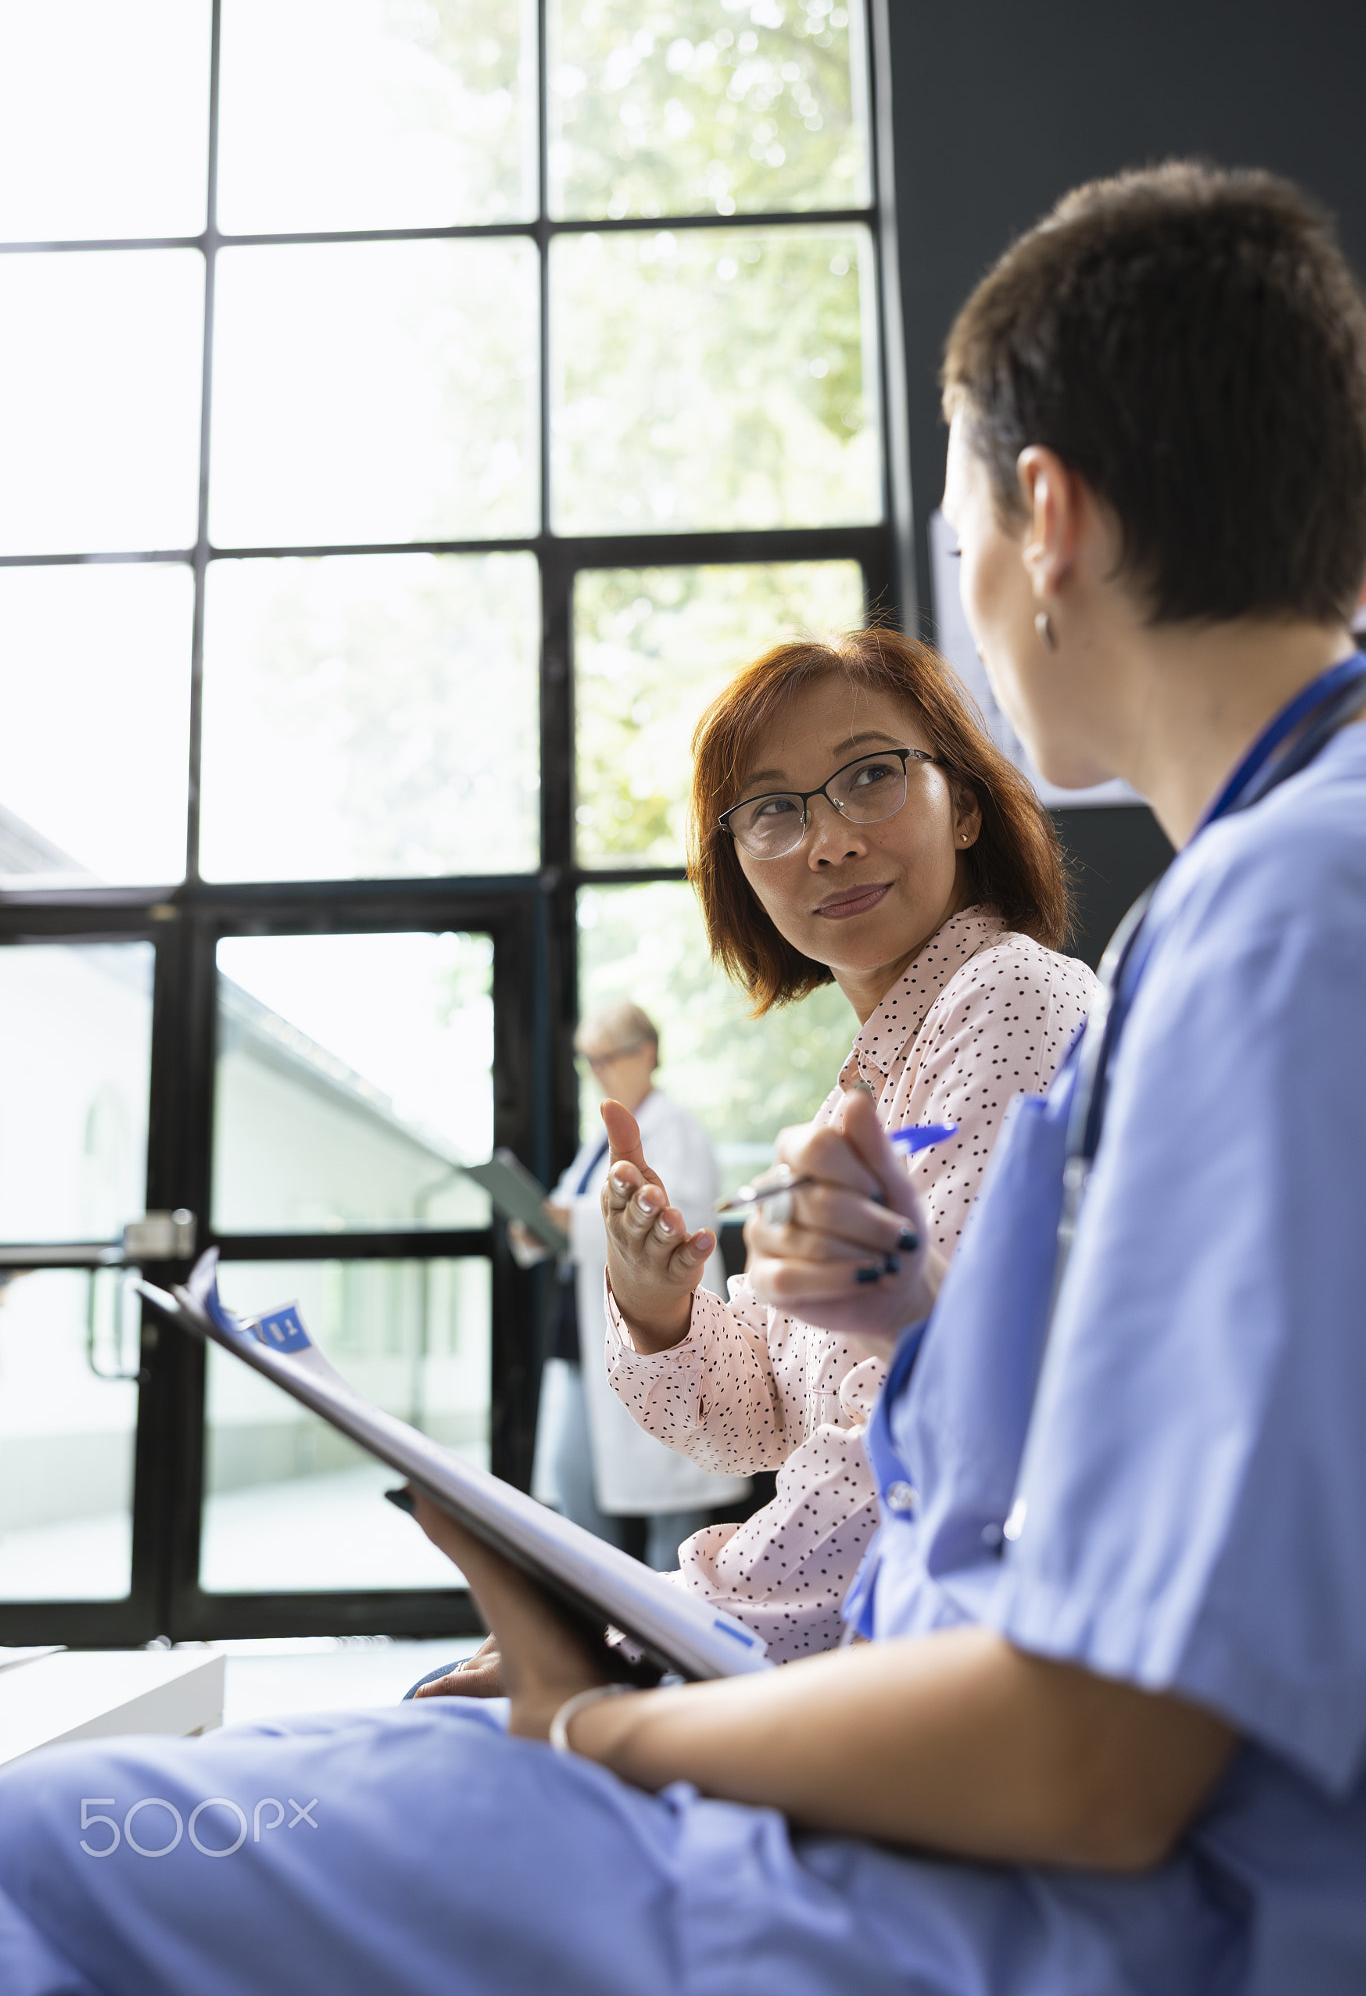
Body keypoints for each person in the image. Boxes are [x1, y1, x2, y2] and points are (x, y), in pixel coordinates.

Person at [3, 159, 1365, 1996]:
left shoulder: (1270, 929)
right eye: (773, 813)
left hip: (988, 1873)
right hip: (867, 1727)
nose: (823, 840)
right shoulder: (1246, 910)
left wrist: (609, 1729)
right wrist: (832, 1317)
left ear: (1041, 516)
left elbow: (1101, 1743)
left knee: (52, 1848)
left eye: (954, 526)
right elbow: (1002, 1464)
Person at [597, 627, 1095, 1658]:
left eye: (869, 775)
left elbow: (919, 1423)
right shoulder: (846, 1101)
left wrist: (662, 1630)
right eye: (772, 809)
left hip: (987, 1651)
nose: (826, 842)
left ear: (961, 804)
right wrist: (658, 1308)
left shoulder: (1009, 993)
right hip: (893, 1635)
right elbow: (762, 1417)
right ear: (736, 860)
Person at [521, 1000, 747, 1571]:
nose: (597, 1073)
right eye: (588, 1062)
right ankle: (597, 1640)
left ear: (645, 1053)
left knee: (672, 1518)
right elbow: (579, 1216)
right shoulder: (598, 1142)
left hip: (650, 1333)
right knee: (578, 1490)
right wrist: (541, 1224)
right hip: (585, 1333)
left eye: (607, 1058)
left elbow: (683, 1222)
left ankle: (667, 1652)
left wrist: (572, 1222)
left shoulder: (676, 1129)